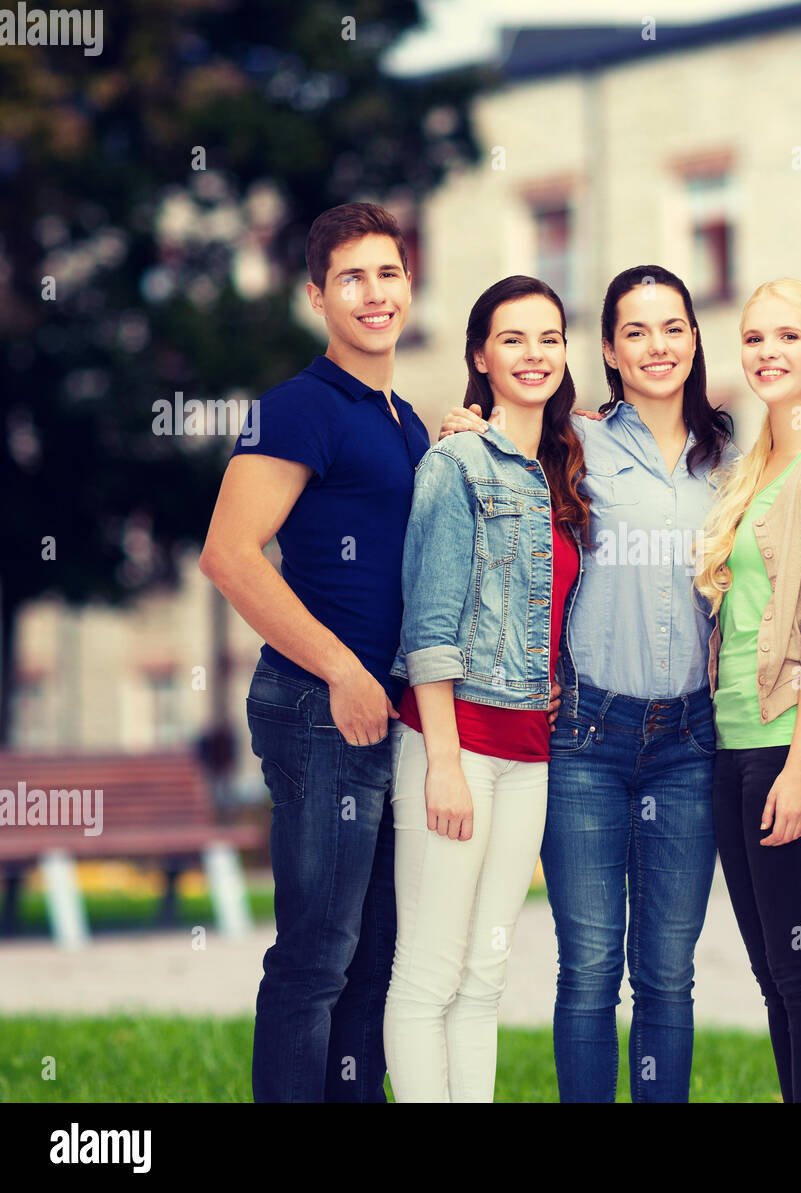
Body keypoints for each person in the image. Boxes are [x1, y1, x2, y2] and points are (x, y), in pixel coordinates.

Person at [440, 264, 740, 1102]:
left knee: (668, 975)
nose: (656, 346)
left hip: (691, 740)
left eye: (672, 327)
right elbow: (488, 456)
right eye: (634, 331)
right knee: (590, 969)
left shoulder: (731, 460)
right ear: (606, 349)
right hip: (585, 738)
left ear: (693, 338)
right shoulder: (569, 439)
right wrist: (462, 426)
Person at [198, 201, 431, 1102]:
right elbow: (228, 553)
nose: (373, 294)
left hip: (381, 711)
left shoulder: (402, 418)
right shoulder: (296, 408)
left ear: (408, 283)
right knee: (315, 960)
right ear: (315, 296)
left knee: (373, 959)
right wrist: (341, 669)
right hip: (317, 708)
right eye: (351, 278)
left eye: (387, 273)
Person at [382, 276, 589, 1102]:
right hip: (455, 744)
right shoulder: (455, 462)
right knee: (429, 967)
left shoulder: (562, 474)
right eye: (513, 338)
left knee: (486, 970)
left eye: (549, 337)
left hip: (529, 754)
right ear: (480, 355)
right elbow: (428, 625)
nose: (534, 354)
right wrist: (440, 761)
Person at [695, 279, 801, 1103]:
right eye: (756, 338)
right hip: (734, 747)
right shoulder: (756, 464)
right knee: (771, 970)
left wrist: (800, 766)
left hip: (795, 744)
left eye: (788, 338)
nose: (768, 352)